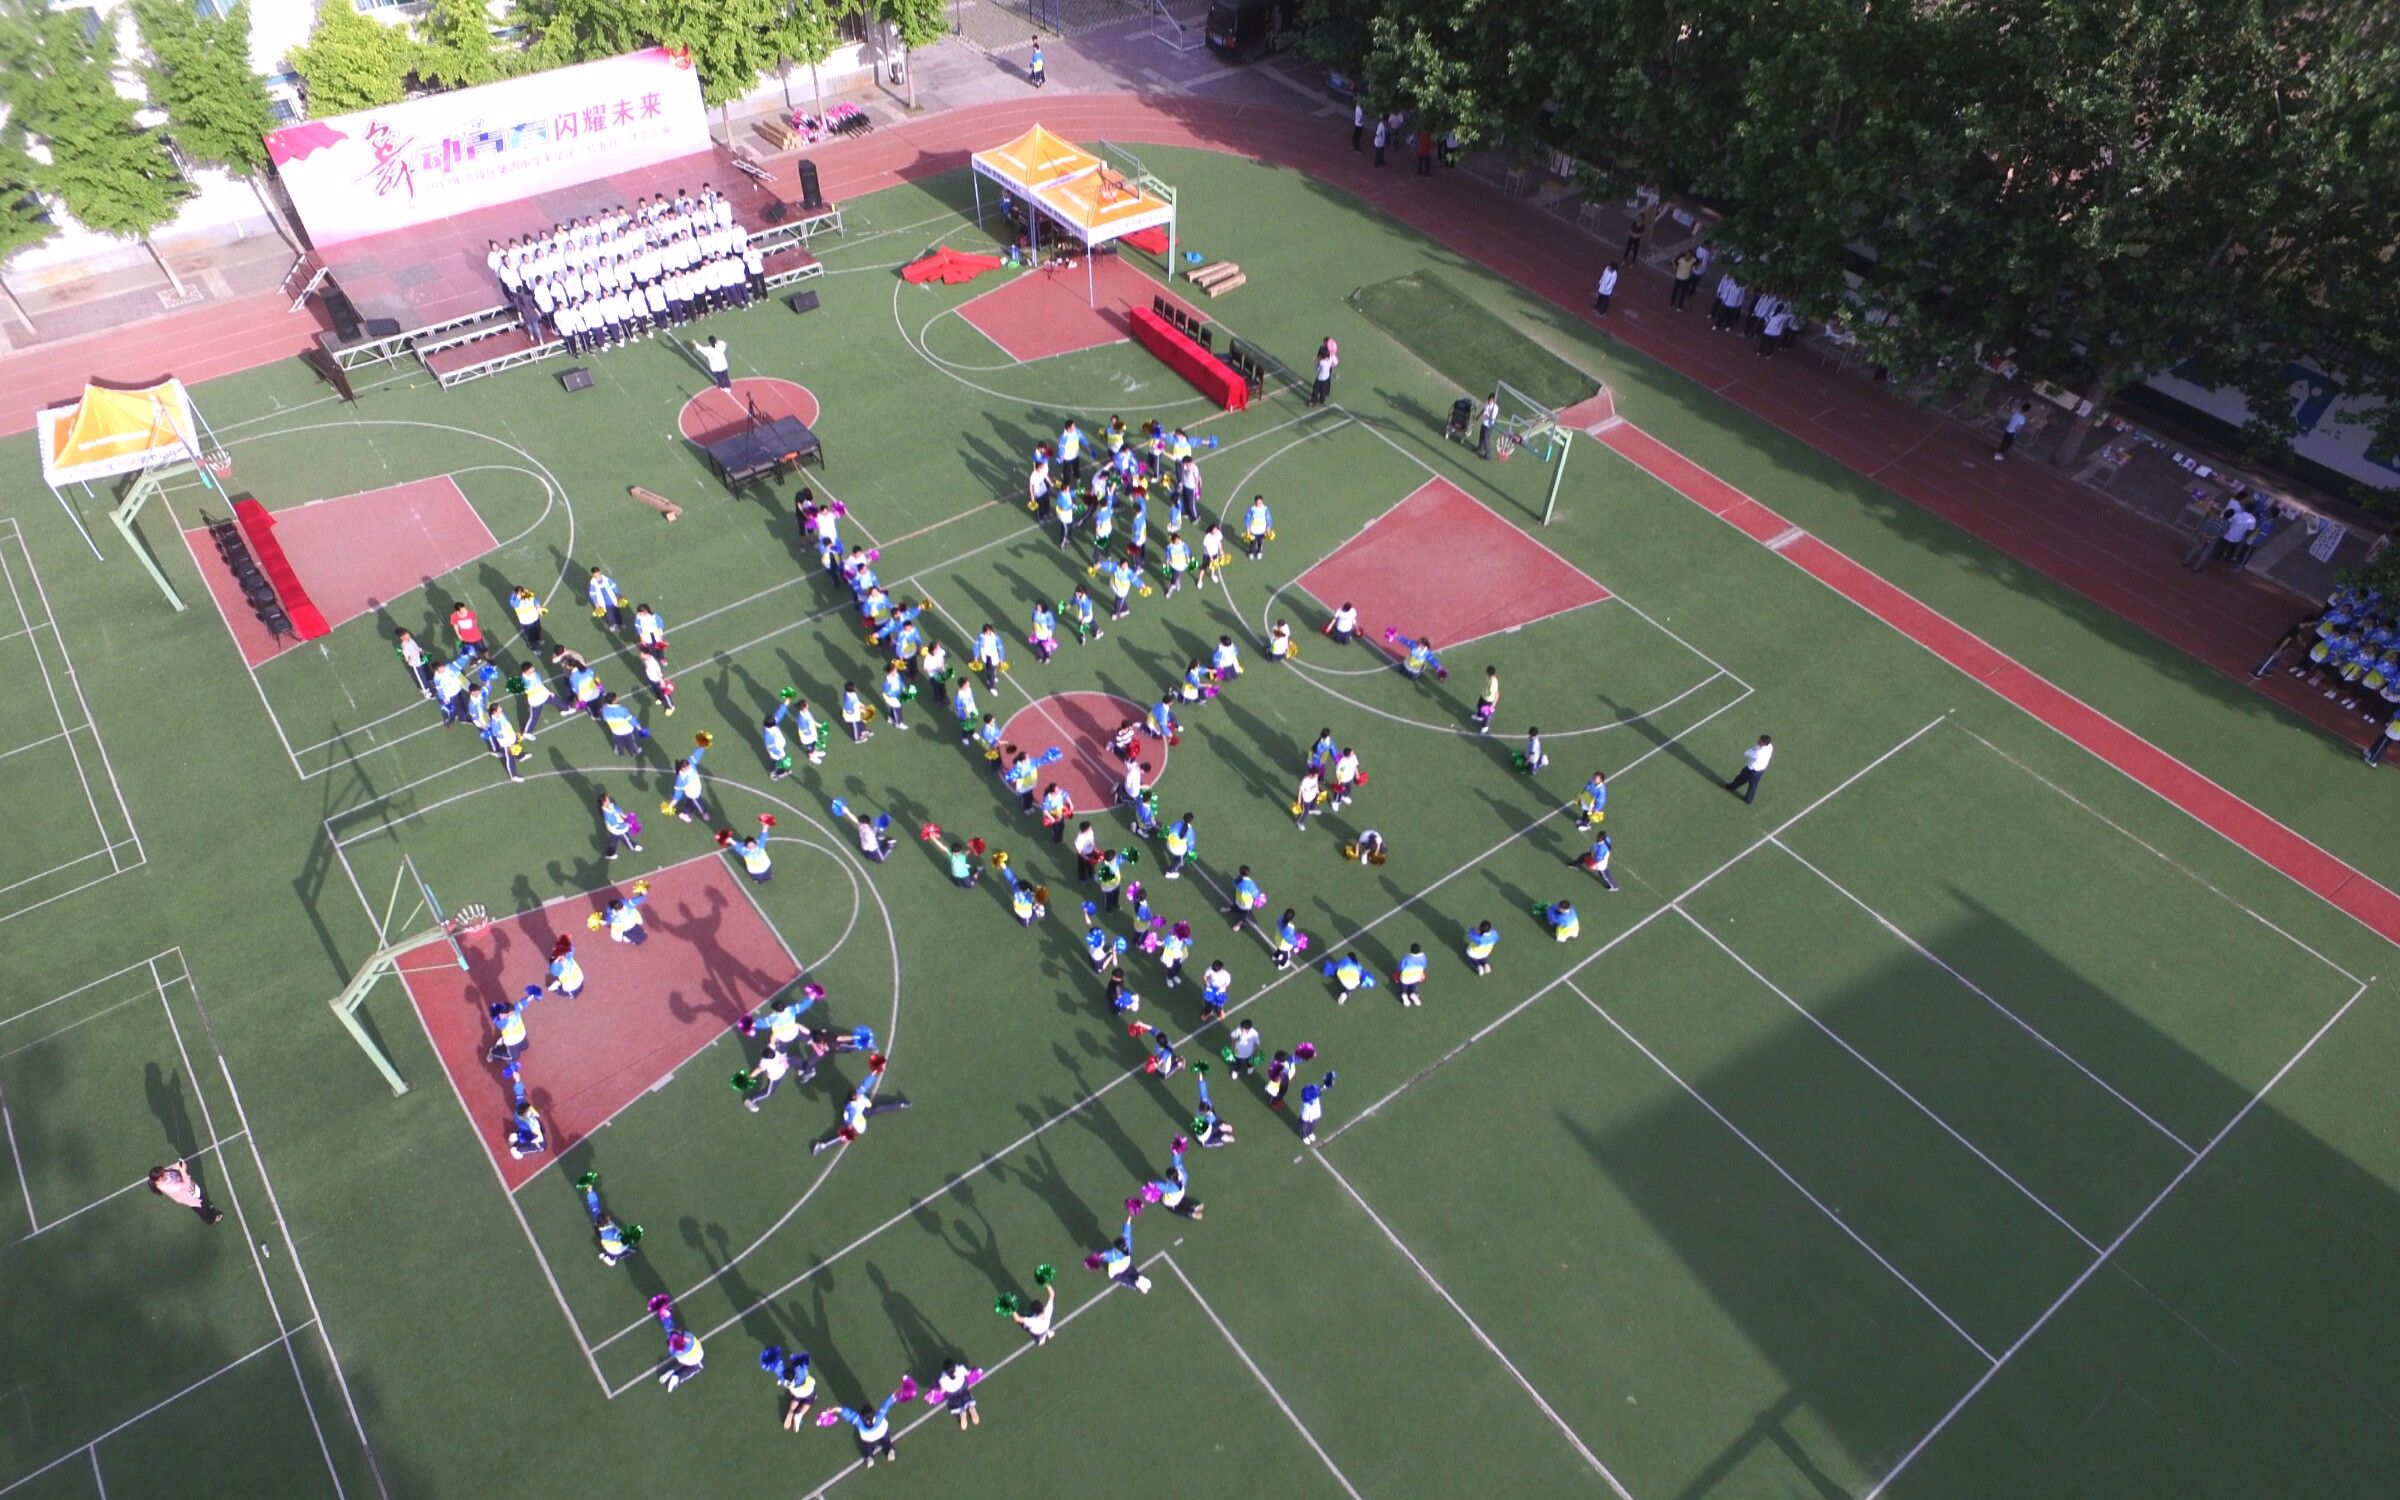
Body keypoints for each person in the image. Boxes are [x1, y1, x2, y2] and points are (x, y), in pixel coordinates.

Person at [148, 1158, 224, 1225]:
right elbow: (187, 1184)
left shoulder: (163, 1175)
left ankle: (208, 1208)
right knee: (201, 1208)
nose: (166, 1173)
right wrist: (183, 1171)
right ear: (159, 1179)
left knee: (202, 1199)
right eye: (164, 1174)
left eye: (164, 1171)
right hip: (188, 1197)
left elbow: (172, 1171)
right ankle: (211, 1219)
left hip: (191, 1190)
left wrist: (177, 1166)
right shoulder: (168, 1188)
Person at [1726, 733, 1773, 803]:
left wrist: (1753, 749)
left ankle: (1731, 787)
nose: (1758, 741)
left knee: (1740, 778)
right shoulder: (1770, 746)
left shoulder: (1759, 753)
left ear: (1764, 743)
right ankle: (1748, 800)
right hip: (1760, 770)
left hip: (1751, 770)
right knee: (1753, 786)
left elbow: (1746, 753)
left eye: (1760, 741)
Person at [1308, 339, 1338, 406]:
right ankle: (1322, 400)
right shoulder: (1330, 358)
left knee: (1315, 390)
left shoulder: (1322, 362)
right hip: (1326, 377)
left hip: (1320, 379)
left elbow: (1317, 369)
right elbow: (1334, 362)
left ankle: (1313, 401)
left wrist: (1317, 361)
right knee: (1323, 390)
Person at [1478, 391, 1501, 460]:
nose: (1489, 401)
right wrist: (1478, 416)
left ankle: (1487, 454)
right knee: (1481, 436)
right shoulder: (1487, 403)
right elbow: (1483, 409)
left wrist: (1487, 414)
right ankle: (1480, 448)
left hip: (1489, 425)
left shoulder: (1495, 408)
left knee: (1486, 439)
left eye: (1490, 400)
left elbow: (1492, 417)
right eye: (1489, 399)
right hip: (1484, 423)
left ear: (1493, 400)